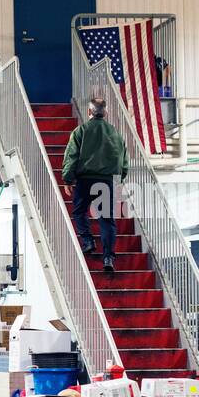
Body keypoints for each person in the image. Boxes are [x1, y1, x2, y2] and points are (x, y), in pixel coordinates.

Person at [61, 97, 129, 273]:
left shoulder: (80, 131)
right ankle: (108, 257)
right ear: (105, 113)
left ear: (89, 112)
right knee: (107, 220)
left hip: (84, 180)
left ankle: (88, 241)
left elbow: (71, 157)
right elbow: (123, 160)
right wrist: (119, 180)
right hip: (106, 181)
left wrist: (68, 179)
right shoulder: (115, 133)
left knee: (78, 211)